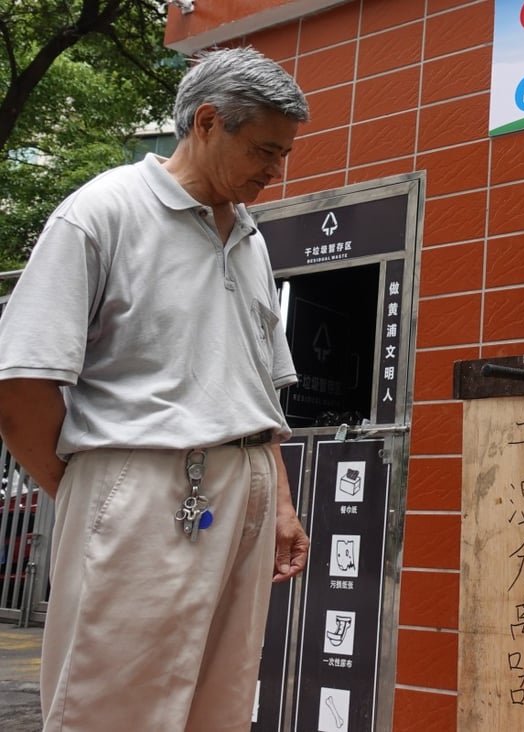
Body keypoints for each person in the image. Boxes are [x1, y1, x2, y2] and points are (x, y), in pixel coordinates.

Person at [0, 47, 311, 731]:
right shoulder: (101, 213)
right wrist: (97, 491)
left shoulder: (251, 240)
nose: (276, 170)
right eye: (264, 149)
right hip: (142, 484)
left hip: (246, 488)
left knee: (220, 702)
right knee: (113, 702)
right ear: (205, 122)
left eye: (283, 152)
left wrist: (281, 499)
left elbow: (259, 388)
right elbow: (22, 385)